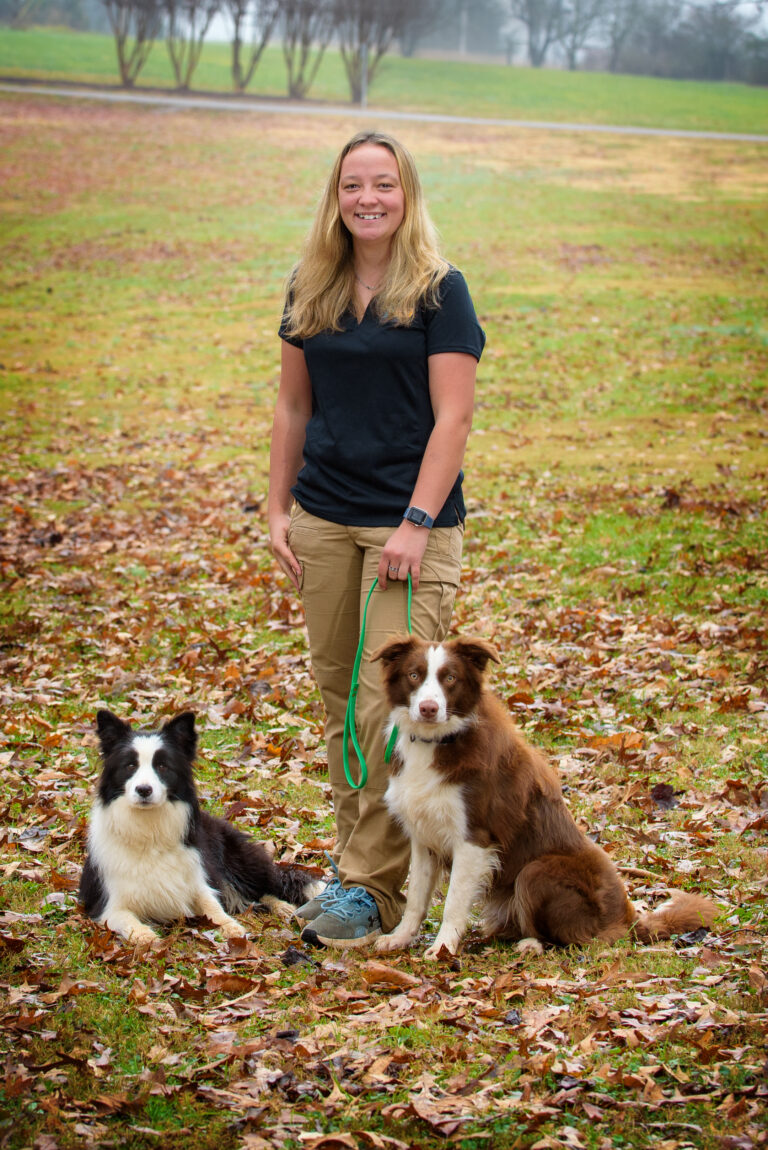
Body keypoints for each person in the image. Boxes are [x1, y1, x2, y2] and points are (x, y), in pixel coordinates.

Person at [267, 130, 485, 949]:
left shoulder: (440, 290)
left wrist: (416, 524)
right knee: (340, 705)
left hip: (409, 526)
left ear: (406, 194)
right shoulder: (311, 284)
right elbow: (294, 406)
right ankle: (356, 872)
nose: (368, 198)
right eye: (353, 184)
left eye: (384, 184)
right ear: (337, 195)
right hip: (323, 517)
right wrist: (277, 507)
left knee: (387, 710)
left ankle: (372, 893)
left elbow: (453, 418)